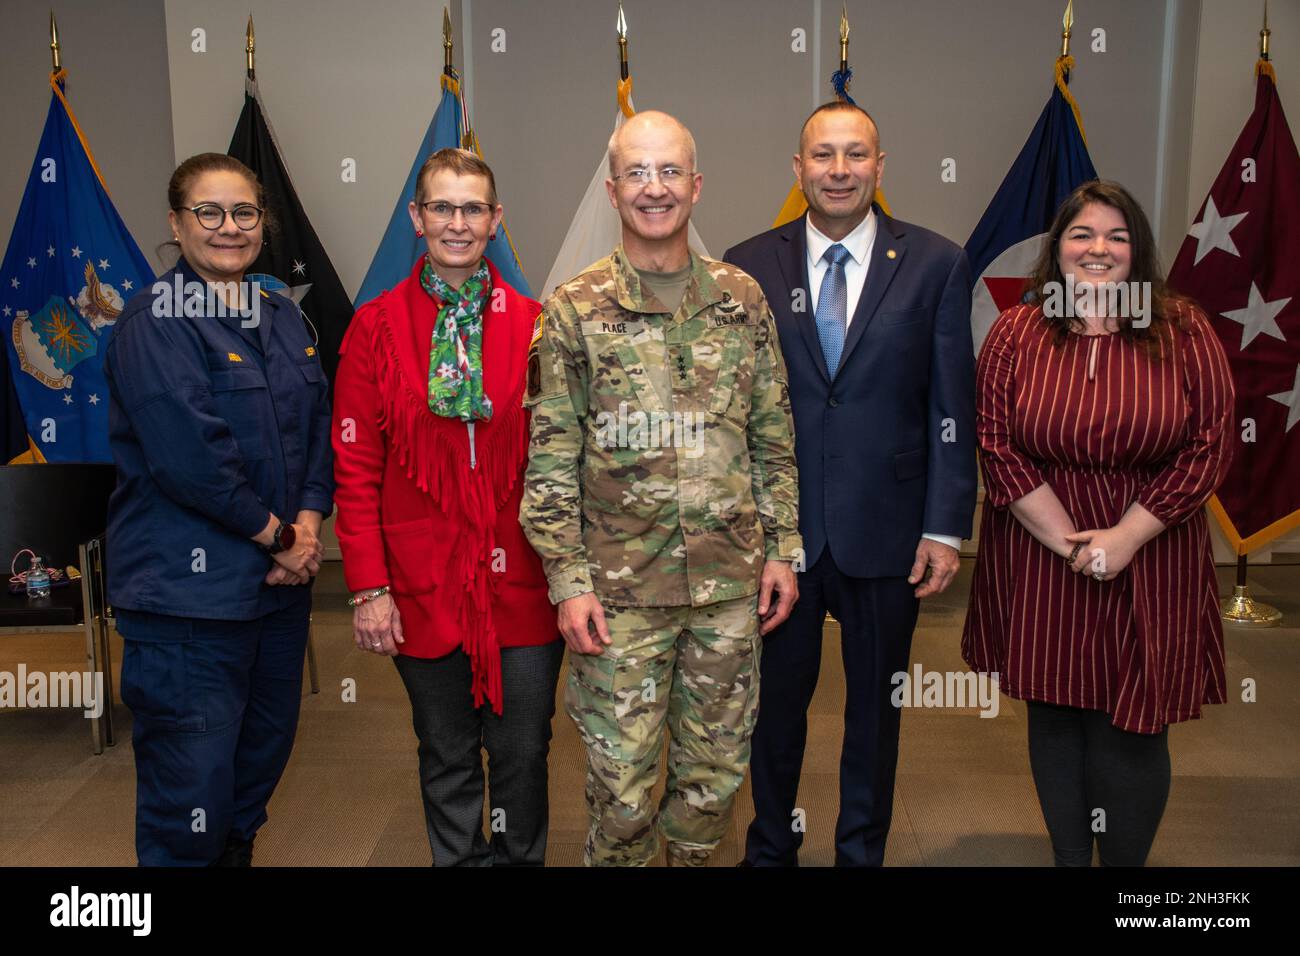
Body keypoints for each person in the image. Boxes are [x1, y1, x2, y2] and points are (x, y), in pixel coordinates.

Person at [520, 110, 803, 867]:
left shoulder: (741, 300)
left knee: (711, 789)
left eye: (670, 171)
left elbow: (773, 435)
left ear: (696, 185)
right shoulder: (573, 309)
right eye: (638, 173)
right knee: (623, 796)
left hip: (729, 591)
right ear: (613, 190)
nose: (655, 188)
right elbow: (550, 460)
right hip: (619, 602)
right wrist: (568, 582)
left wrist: (784, 551)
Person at [724, 101, 977, 867]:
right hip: (779, 535)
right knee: (774, 712)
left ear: (880, 166)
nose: (839, 171)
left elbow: (950, 403)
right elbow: (732, 407)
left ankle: (860, 852)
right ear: (797, 169)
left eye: (855, 155)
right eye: (823, 156)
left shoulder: (936, 262)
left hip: (889, 528)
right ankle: (770, 848)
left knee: (876, 712)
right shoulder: (746, 263)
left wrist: (945, 525)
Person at [961, 179, 1235, 866]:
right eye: (1082, 235)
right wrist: (1071, 545)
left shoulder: (1184, 328)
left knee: (1134, 724)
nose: (1098, 249)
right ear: (1057, 250)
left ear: (1136, 250)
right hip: (1041, 551)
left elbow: (1213, 442)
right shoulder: (1015, 332)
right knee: (1054, 714)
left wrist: (1124, 538)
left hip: (1153, 550)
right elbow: (995, 442)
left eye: (1116, 236)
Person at [332, 148, 562, 867]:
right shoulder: (373, 327)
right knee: (447, 749)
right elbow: (356, 465)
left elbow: (565, 462)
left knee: (523, 749)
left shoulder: (538, 325)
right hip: (419, 581)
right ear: (417, 217)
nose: (456, 223)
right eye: (442, 207)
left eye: (472, 209)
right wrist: (368, 588)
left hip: (520, 580)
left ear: (496, 221)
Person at [105, 152, 333, 866]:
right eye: (209, 212)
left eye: (244, 212)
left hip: (275, 597)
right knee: (190, 805)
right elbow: (190, 460)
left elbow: (317, 435)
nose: (228, 227)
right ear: (176, 223)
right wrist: (280, 538)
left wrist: (308, 530)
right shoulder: (155, 322)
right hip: (188, 606)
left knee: (248, 786)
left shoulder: (281, 316)